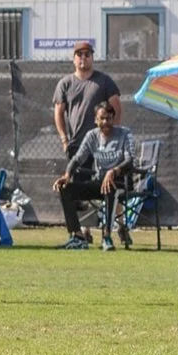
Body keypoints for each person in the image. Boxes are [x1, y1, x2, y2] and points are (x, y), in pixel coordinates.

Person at [56, 101, 137, 252]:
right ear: (96, 120)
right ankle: (78, 237)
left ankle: (106, 236)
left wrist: (114, 171)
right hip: (99, 182)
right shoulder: (92, 136)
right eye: (102, 118)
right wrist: (67, 175)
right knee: (66, 189)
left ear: (113, 119)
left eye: (109, 118)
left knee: (110, 187)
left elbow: (130, 160)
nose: (106, 122)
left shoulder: (125, 134)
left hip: (120, 182)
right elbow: (78, 158)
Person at [51, 41, 122, 174]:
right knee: (79, 187)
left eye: (87, 54)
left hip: (101, 145)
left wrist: (112, 135)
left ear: (92, 58)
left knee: (101, 186)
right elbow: (58, 112)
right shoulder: (65, 84)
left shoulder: (104, 81)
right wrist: (64, 140)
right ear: (74, 59)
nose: (83, 57)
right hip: (77, 146)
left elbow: (117, 109)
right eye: (79, 54)